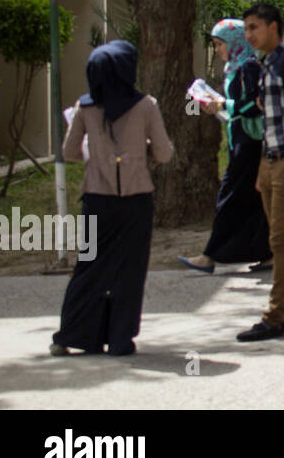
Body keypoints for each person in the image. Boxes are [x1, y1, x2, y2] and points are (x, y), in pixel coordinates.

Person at [51, 41, 173, 356]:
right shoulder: (146, 105)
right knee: (130, 269)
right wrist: (142, 148)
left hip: (96, 199)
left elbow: (69, 151)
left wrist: (96, 153)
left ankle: (73, 335)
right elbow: (164, 153)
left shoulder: (85, 107)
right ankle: (120, 338)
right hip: (136, 200)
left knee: (89, 266)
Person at [237, 3, 284, 342]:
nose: (249, 35)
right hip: (269, 161)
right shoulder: (265, 64)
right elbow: (270, 120)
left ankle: (274, 316)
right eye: (246, 28)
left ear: (272, 27)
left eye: (254, 27)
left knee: (280, 240)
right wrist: (261, 168)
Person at [179, 20, 270, 274]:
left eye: (221, 44)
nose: (218, 50)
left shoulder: (249, 67)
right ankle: (264, 253)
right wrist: (218, 107)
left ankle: (209, 256)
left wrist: (222, 105)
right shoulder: (234, 67)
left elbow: (254, 105)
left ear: (235, 42)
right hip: (238, 138)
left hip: (249, 143)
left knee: (228, 199)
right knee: (251, 200)